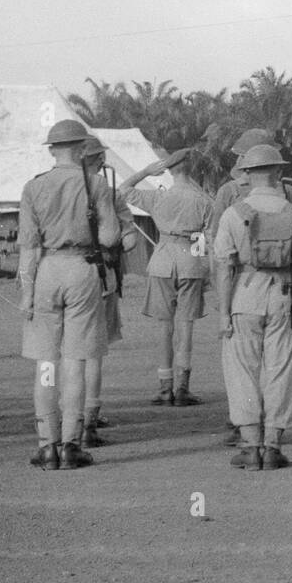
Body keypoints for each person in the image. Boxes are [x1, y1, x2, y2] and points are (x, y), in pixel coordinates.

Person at [18, 119, 122, 471]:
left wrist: (26, 294)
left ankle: (46, 445)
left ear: (51, 149)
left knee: (46, 363)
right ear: (81, 149)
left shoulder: (33, 188)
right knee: (76, 361)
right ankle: (71, 444)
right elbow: (109, 238)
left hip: (46, 270)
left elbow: (28, 248)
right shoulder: (95, 184)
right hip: (82, 269)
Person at [213, 145, 292, 470]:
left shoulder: (234, 212)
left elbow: (223, 266)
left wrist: (223, 313)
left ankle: (250, 444)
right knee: (280, 369)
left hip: (243, 296)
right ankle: (273, 445)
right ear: (277, 173)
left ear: (247, 174)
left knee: (241, 370)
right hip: (283, 296)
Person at [119, 147, 214, 408]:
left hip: (161, 261)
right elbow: (207, 239)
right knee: (186, 326)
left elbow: (122, 191)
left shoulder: (158, 198)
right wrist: (205, 268)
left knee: (164, 327)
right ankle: (183, 388)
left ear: (169, 170)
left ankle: (164, 388)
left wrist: (146, 172)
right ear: (191, 169)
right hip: (191, 261)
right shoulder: (204, 200)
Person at [80, 137, 140, 446]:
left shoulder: (46, 188)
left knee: (67, 353)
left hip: (64, 277)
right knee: (92, 352)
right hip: (99, 276)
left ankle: (71, 419)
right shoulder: (107, 191)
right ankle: (87, 419)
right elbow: (124, 237)